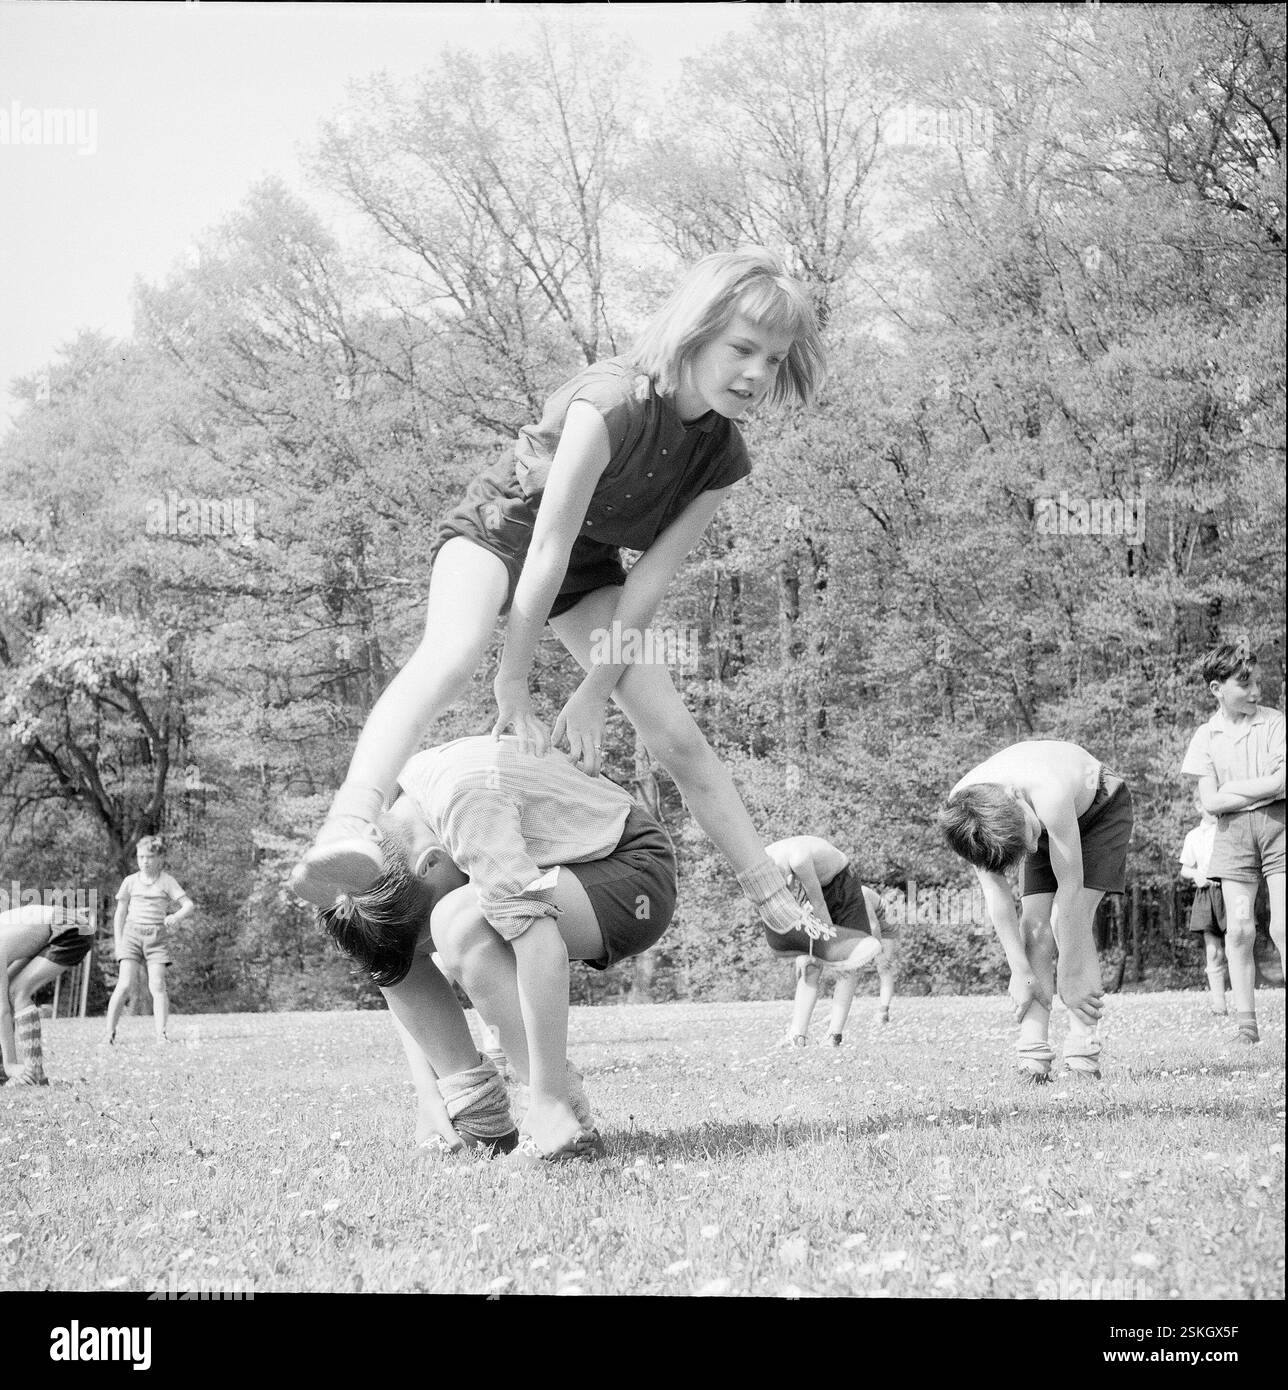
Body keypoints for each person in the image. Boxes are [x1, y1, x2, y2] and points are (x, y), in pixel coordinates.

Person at [291, 248, 831, 952]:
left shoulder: (722, 458)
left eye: (775, 358)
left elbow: (647, 583)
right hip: (502, 532)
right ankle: (348, 821)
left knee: (675, 734)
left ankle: (772, 898)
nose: (758, 373)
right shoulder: (608, 402)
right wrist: (511, 682)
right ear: (695, 331)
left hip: (585, 566)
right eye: (743, 349)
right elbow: (542, 547)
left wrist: (594, 692)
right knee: (452, 656)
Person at [320, 734, 677, 1163]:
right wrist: (429, 1096)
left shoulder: (466, 805)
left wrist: (550, 1099)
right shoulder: (399, 819)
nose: (436, 953)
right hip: (567, 872)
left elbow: (538, 942)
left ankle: (565, 1124)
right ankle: (477, 1118)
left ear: (430, 863)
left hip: (634, 873)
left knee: (458, 922)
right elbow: (392, 966)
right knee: (383, 946)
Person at [939, 741, 1133, 1080]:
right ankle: (1033, 1057)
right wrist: (1020, 971)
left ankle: (1083, 1054)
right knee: (1034, 928)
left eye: (1028, 836)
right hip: (1034, 817)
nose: (1031, 849)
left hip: (1100, 807)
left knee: (1068, 921)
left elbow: (1070, 889)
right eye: (1025, 843)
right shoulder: (970, 817)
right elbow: (997, 895)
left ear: (1015, 795)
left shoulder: (1049, 792)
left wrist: (1070, 971)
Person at [1181, 642, 1285, 1046]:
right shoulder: (1206, 736)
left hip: (1279, 827)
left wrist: (1234, 789)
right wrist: (1260, 788)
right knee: (1240, 928)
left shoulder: (1276, 723)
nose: (1256, 692)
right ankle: (1247, 1026)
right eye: (1245, 684)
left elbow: (1281, 783)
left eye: (1258, 682)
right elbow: (1209, 802)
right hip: (1234, 837)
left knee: (1282, 926)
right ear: (1216, 688)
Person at [761, 836, 898, 1047]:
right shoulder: (762, 860)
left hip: (843, 886)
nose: (787, 887)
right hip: (814, 889)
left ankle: (833, 1035)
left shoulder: (798, 859)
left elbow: (818, 902)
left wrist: (830, 943)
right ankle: (797, 1035)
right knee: (808, 965)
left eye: (786, 885)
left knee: (848, 964)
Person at [103, 837, 195, 1045]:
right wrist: (119, 942)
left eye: (150, 857)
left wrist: (175, 917)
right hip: (131, 935)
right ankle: (109, 1033)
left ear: (160, 858)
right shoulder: (130, 881)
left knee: (157, 985)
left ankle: (161, 1035)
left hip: (156, 937)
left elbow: (188, 905)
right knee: (124, 984)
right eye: (141, 857)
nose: (144, 861)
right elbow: (120, 913)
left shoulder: (166, 881)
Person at [0, 903, 96, 1086]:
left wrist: (10, 1064)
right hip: (60, 926)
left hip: (69, 927)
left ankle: (33, 1073)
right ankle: (10, 1072)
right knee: (9, 990)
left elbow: (3, 1011)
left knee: (18, 991)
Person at [1178, 795, 1228, 1015]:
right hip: (1206, 893)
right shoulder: (1193, 836)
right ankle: (1219, 1005)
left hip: (1229, 890)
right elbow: (1184, 868)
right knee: (1213, 950)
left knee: (1237, 947)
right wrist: (1196, 873)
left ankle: (1246, 1005)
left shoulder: (1228, 830)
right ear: (1199, 805)